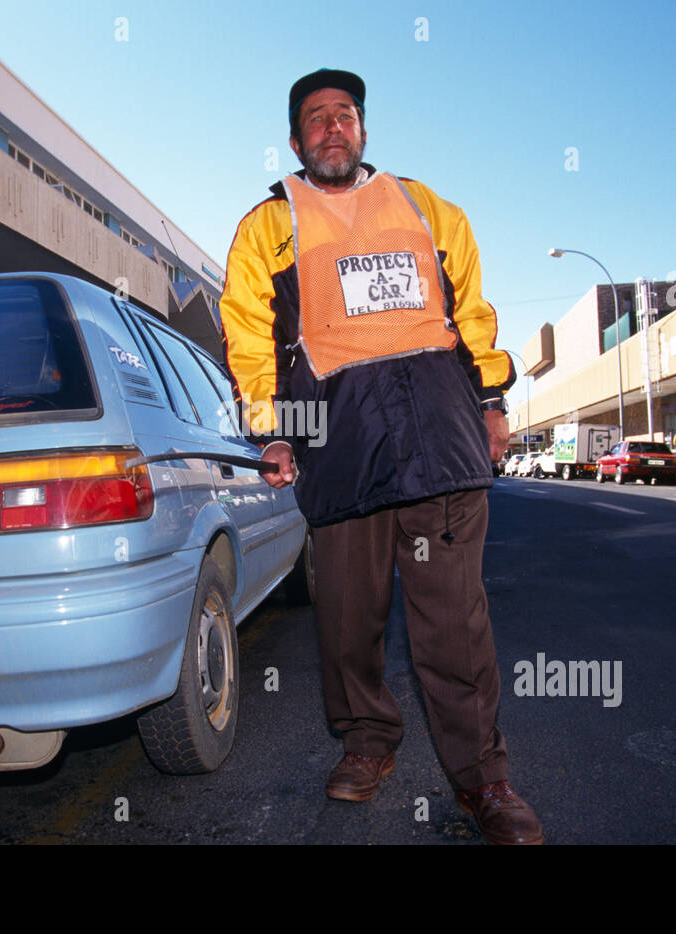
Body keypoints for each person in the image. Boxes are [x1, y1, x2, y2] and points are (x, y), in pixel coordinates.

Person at [218, 69, 542, 845]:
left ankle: (482, 780)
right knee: (348, 618)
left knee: (455, 624)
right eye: (316, 119)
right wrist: (273, 429)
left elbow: (472, 311)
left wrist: (493, 402)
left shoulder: (429, 208)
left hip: (440, 434)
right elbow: (248, 338)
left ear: (363, 131)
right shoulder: (269, 226)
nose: (333, 127)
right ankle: (367, 743)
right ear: (296, 142)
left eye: (346, 115)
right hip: (342, 442)